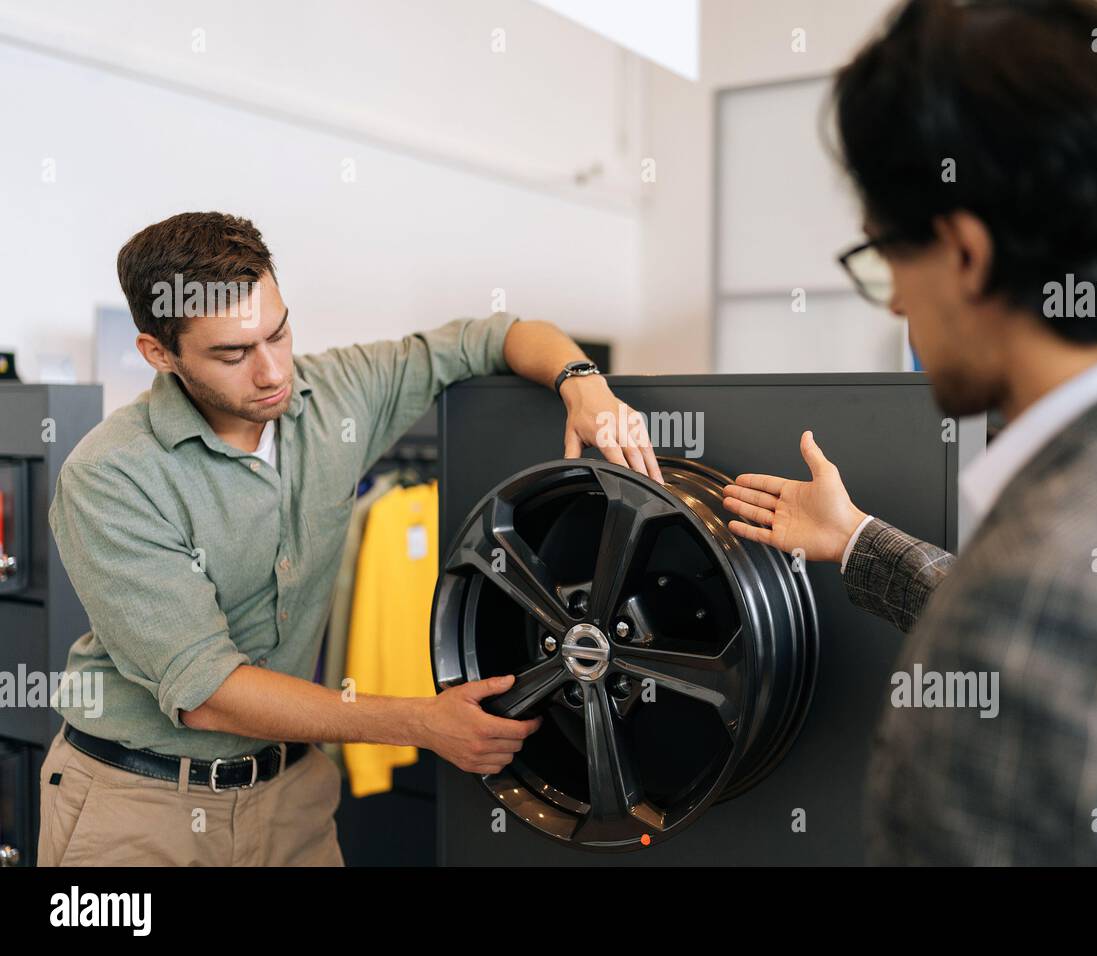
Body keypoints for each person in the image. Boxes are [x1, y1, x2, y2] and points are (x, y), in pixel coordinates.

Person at [722, 0, 1097, 864]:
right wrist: (858, 543)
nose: (895, 301)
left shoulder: (1032, 613)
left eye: (886, 254)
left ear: (964, 254)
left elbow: (1042, 635)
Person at [39, 210, 660, 866]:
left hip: (291, 803)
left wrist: (581, 383)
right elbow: (208, 693)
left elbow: (497, 335)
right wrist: (419, 721)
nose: (272, 371)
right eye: (232, 354)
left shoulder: (338, 393)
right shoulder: (110, 476)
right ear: (158, 354)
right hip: (139, 808)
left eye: (278, 334)